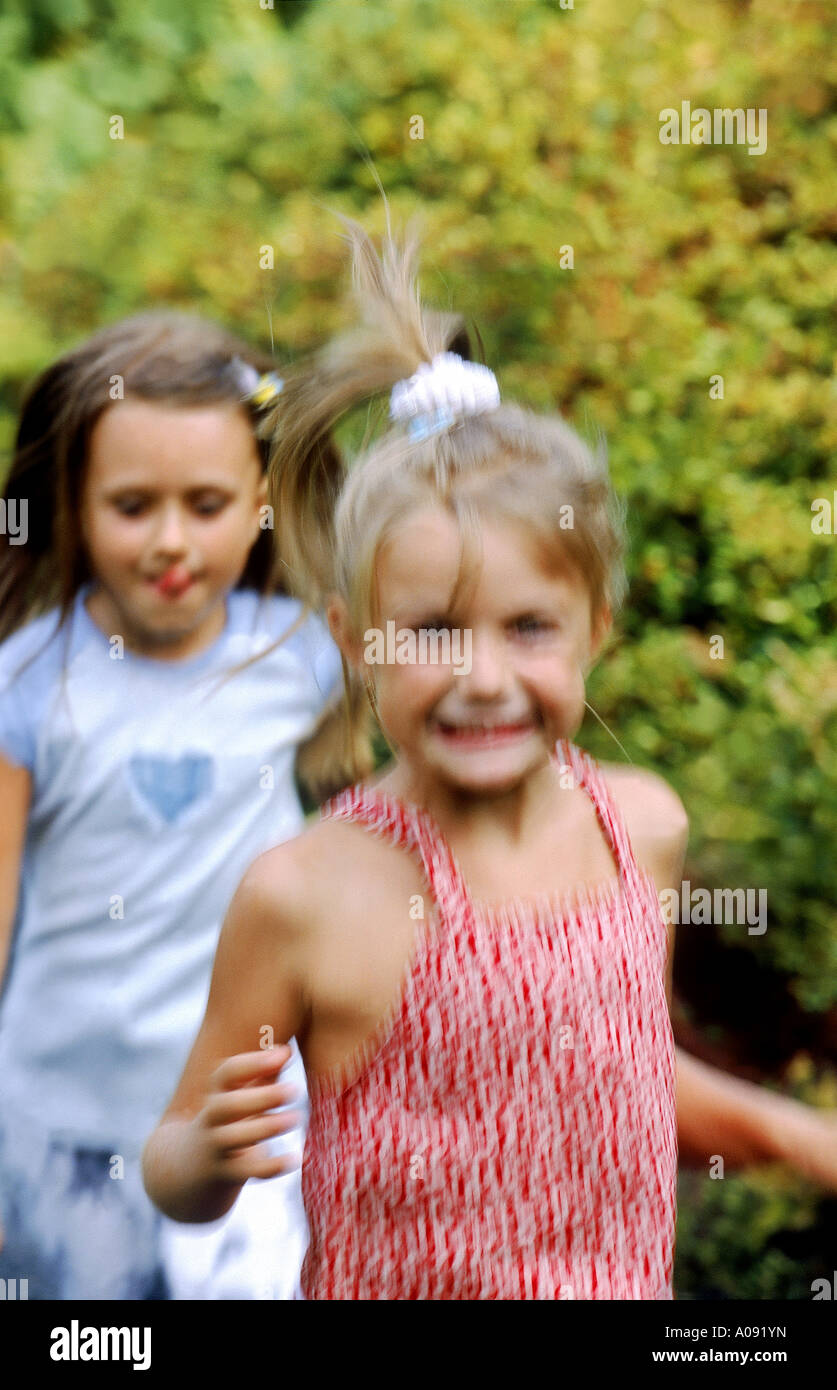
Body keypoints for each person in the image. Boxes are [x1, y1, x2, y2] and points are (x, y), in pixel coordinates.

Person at [142, 223, 688, 1300]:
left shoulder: (644, 833)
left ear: (599, 629)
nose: (482, 676)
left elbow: (629, 1083)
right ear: (355, 640)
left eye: (529, 626)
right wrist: (205, 1156)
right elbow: (171, 1161)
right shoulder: (306, 892)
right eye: (433, 630)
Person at [0, 311, 371, 1300]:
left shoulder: (298, 651)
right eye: (131, 505)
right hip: (68, 1117)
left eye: (207, 504)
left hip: (244, 1112)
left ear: (261, 498)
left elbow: (438, 653)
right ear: (74, 502)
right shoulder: (29, 684)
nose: (172, 541)